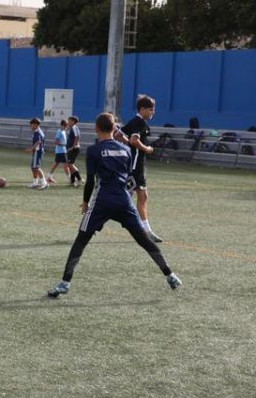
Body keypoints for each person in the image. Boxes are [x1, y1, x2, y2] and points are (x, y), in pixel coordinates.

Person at [46, 112, 181, 299]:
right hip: (124, 201)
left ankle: (65, 283)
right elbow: (127, 177)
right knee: (144, 240)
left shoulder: (94, 151)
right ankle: (170, 275)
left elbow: (91, 181)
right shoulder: (125, 150)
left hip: (102, 201)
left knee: (80, 241)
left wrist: (86, 203)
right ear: (114, 128)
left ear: (96, 129)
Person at [121, 94, 161, 238]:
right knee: (124, 198)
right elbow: (133, 140)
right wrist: (147, 149)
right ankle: (96, 220)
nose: (153, 112)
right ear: (142, 109)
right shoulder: (140, 123)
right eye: (151, 109)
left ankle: (146, 230)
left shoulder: (135, 122)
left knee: (141, 196)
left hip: (137, 165)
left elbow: (119, 134)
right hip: (135, 166)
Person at [27, 118, 51, 189]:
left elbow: (38, 142)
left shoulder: (37, 132)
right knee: (33, 167)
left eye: (31, 125)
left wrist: (31, 148)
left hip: (38, 151)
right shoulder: (37, 131)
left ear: (35, 124)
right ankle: (35, 183)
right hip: (37, 151)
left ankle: (44, 183)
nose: (30, 126)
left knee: (36, 167)